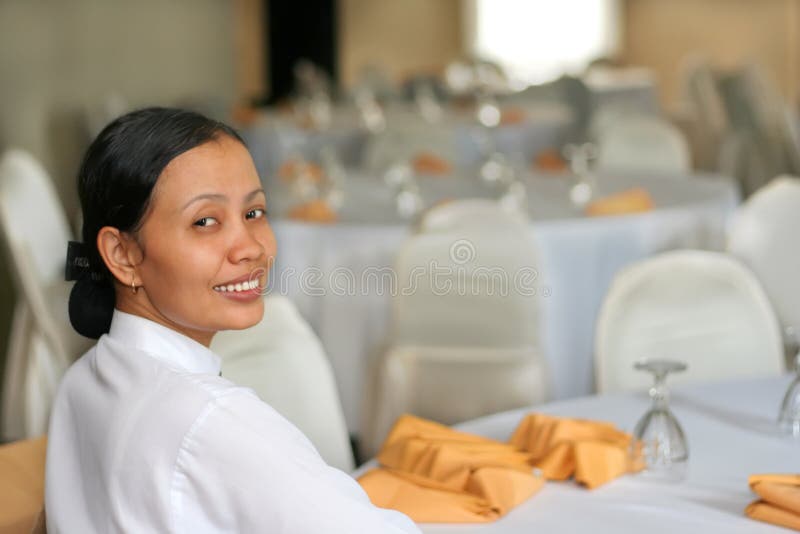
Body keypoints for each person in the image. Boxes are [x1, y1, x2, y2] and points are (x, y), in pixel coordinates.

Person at [45, 107, 420, 533]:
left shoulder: (82, 381)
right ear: (122, 255)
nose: (250, 248)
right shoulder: (214, 423)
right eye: (205, 222)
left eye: (254, 213)